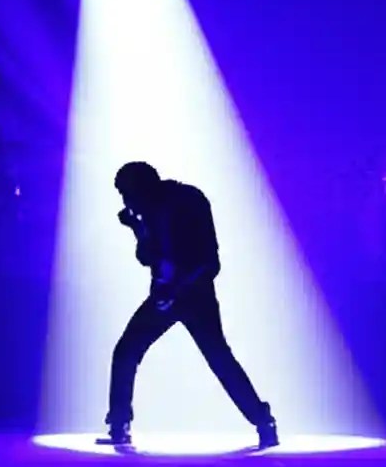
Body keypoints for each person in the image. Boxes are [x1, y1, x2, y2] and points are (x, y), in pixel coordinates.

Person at [101, 162, 278, 449]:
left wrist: (177, 288)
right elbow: (150, 257)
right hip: (168, 294)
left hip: (194, 296)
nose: (125, 201)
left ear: (140, 188)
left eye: (126, 193)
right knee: (128, 351)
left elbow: (209, 260)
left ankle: (262, 420)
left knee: (218, 358)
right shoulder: (150, 209)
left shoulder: (187, 200)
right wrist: (138, 228)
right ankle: (119, 422)